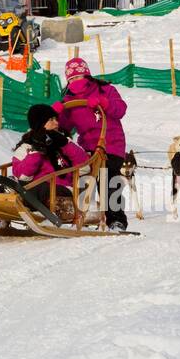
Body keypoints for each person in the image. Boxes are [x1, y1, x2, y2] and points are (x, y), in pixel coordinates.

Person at [58, 57, 130, 232]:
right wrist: (58, 113)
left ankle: (116, 220)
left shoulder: (105, 89)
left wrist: (104, 103)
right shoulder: (69, 99)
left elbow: (121, 109)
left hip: (111, 143)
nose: (76, 82)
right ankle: (79, 214)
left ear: (87, 76)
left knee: (107, 179)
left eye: (79, 77)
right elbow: (64, 127)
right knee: (82, 180)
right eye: (72, 79)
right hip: (87, 147)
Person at [12, 103, 89, 206]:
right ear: (40, 123)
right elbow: (23, 176)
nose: (56, 123)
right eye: (51, 120)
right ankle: (7, 189)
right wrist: (36, 151)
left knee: (41, 189)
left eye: (56, 119)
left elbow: (85, 168)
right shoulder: (26, 147)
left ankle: (13, 190)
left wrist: (65, 144)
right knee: (30, 186)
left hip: (62, 190)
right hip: (35, 190)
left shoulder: (64, 143)